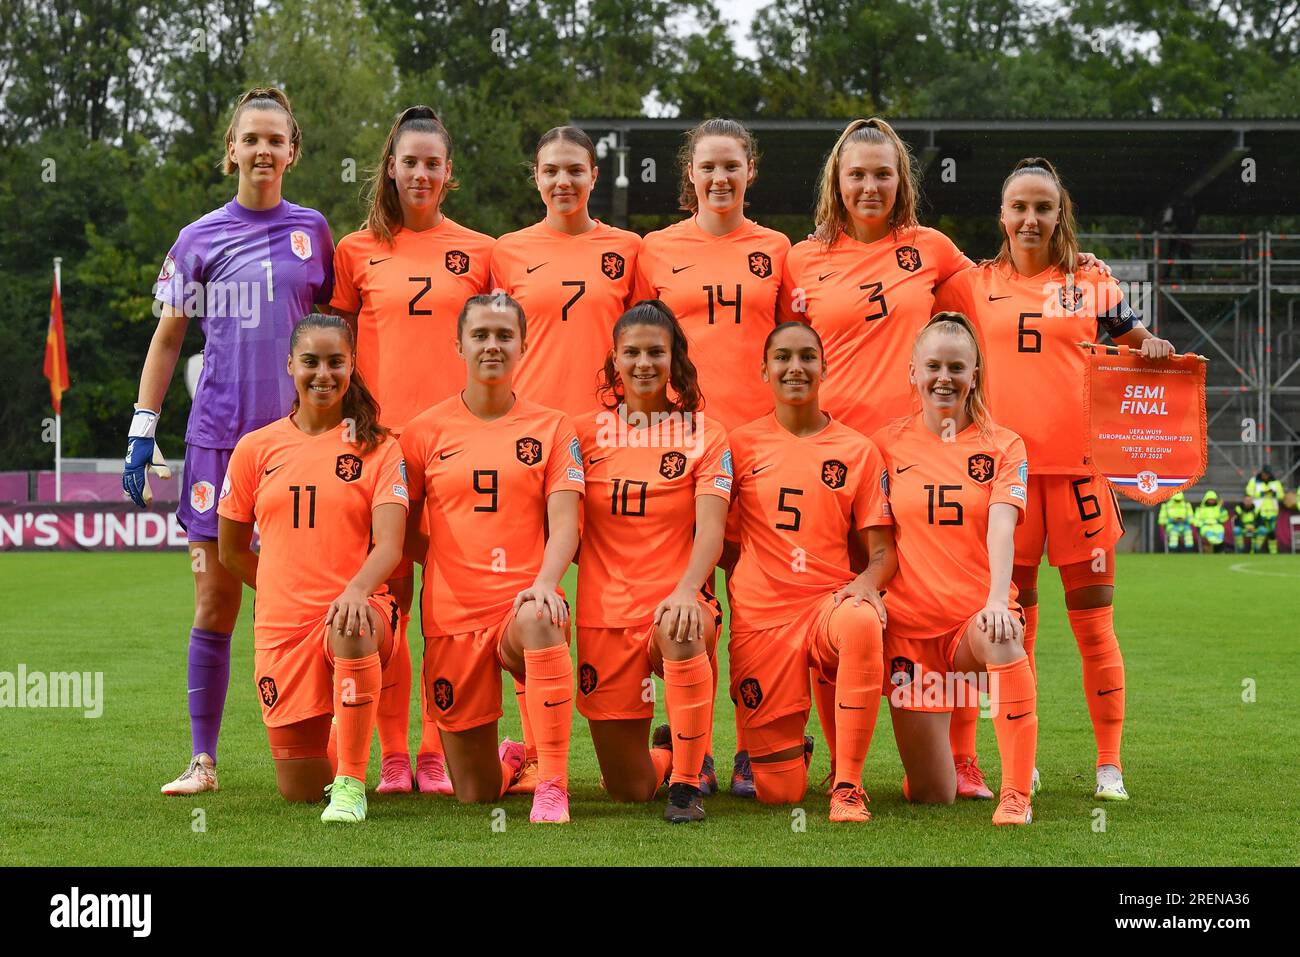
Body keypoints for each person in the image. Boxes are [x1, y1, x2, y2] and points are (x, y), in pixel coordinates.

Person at [934, 157, 1176, 802]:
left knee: (1094, 626)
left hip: (1079, 481)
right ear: (1003, 217)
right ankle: (1024, 758)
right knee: (1014, 628)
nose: (1031, 218)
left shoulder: (1090, 281)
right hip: (1002, 483)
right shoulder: (973, 284)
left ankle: (1108, 764)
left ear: (1059, 214)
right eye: (1020, 207)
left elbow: (1137, 342)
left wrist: (1151, 348)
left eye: (1044, 207)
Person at [124, 87, 335, 796]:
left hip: (300, 447)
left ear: (293, 151)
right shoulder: (197, 238)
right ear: (232, 149)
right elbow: (166, 340)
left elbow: (336, 340)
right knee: (216, 599)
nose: (264, 150)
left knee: (314, 595)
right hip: (217, 442)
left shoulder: (316, 230)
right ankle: (204, 761)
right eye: (252, 138)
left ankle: (337, 747)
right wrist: (141, 428)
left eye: (277, 139)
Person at [330, 106, 495, 795]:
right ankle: (391, 755)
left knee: (446, 611)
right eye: (410, 161)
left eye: (434, 162)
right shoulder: (355, 250)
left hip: (456, 451)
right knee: (386, 603)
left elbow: (501, 347)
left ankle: (434, 748)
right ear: (391, 169)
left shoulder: (483, 252)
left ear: (448, 173)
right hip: (382, 452)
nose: (422, 173)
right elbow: (334, 357)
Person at [634, 118, 791, 794]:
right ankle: (678, 741)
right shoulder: (654, 250)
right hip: (681, 452)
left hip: (757, 446)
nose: (721, 177)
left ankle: (755, 745)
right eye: (709, 167)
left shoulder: (778, 249)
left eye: (733, 165)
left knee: (754, 602)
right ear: (689, 176)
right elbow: (637, 348)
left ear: (750, 170)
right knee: (681, 599)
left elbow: (793, 347)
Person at [216, 315, 408, 823]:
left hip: (362, 612)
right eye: (311, 362)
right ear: (290, 366)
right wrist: (281, 588)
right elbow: (231, 550)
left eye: (335, 362)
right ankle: (340, 732)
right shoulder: (256, 448)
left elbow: (391, 546)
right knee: (299, 789)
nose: (323, 373)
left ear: (351, 367)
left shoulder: (380, 447)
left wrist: (354, 592)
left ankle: (351, 783)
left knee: (350, 624)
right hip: (282, 625)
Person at [399, 294, 583, 823]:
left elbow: (565, 526)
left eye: (504, 335)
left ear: (524, 344)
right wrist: (443, 561)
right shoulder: (422, 432)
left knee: (540, 616)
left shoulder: (552, 427)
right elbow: (400, 528)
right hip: (451, 617)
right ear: (459, 345)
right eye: (480, 335)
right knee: (475, 794)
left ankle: (552, 783)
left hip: (519, 607)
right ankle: (511, 760)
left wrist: (545, 583)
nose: (492, 345)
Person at [722, 322, 894, 820]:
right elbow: (721, 541)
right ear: (764, 370)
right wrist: (754, 578)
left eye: (806, 357)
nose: (795, 367)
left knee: (862, 618)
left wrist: (863, 585)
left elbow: (884, 555)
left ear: (824, 367)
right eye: (782, 357)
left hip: (826, 608)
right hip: (761, 623)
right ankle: (787, 746)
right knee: (781, 794)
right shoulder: (739, 445)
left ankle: (848, 786)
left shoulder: (859, 450)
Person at [871, 313, 1038, 825]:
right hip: (910, 636)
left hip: (969, 625)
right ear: (913, 374)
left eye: (957, 368)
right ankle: (934, 764)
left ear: (975, 375)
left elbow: (1002, 527)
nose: (944, 378)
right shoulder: (884, 444)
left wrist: (995, 601)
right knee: (932, 795)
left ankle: (1016, 795)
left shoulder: (1005, 445)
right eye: (934, 366)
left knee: (1004, 635)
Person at [574, 300, 731, 822]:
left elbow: (711, 529)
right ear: (614, 361)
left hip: (677, 604)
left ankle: (687, 785)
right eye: (632, 352)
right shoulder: (580, 435)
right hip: (605, 615)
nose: (644, 363)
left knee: (682, 629)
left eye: (656, 352)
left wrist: (688, 590)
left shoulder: (705, 435)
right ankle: (672, 752)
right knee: (629, 789)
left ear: (675, 360)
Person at [490, 125, 642, 417]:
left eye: (575, 171)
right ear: (536, 177)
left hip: (609, 418)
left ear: (593, 177)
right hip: (529, 418)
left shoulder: (629, 248)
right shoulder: (506, 251)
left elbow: (644, 340)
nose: (563, 181)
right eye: (551, 171)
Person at [1246, 466, 1284, 554]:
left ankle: (1273, 551)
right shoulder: (1254, 481)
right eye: (1265, 474)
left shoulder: (1275, 482)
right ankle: (1254, 550)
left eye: (1268, 474)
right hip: (1259, 511)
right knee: (1258, 530)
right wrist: (1264, 493)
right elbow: (1249, 493)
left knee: (1272, 532)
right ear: (1262, 472)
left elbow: (1281, 495)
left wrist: (1274, 494)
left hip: (1272, 511)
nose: (1266, 476)